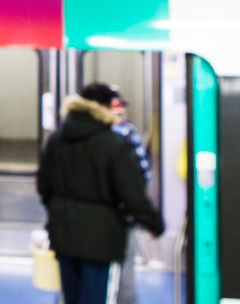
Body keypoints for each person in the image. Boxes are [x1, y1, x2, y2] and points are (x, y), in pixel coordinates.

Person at [38, 82, 165, 304]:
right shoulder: (114, 143)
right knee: (97, 297)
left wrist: (60, 212)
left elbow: (43, 186)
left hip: (62, 231)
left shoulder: (57, 139)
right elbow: (132, 192)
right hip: (101, 237)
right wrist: (154, 224)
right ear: (104, 107)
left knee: (71, 296)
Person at [109, 93, 151, 304]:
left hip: (101, 217)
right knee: (123, 267)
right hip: (120, 215)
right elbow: (143, 176)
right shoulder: (130, 134)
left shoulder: (93, 136)